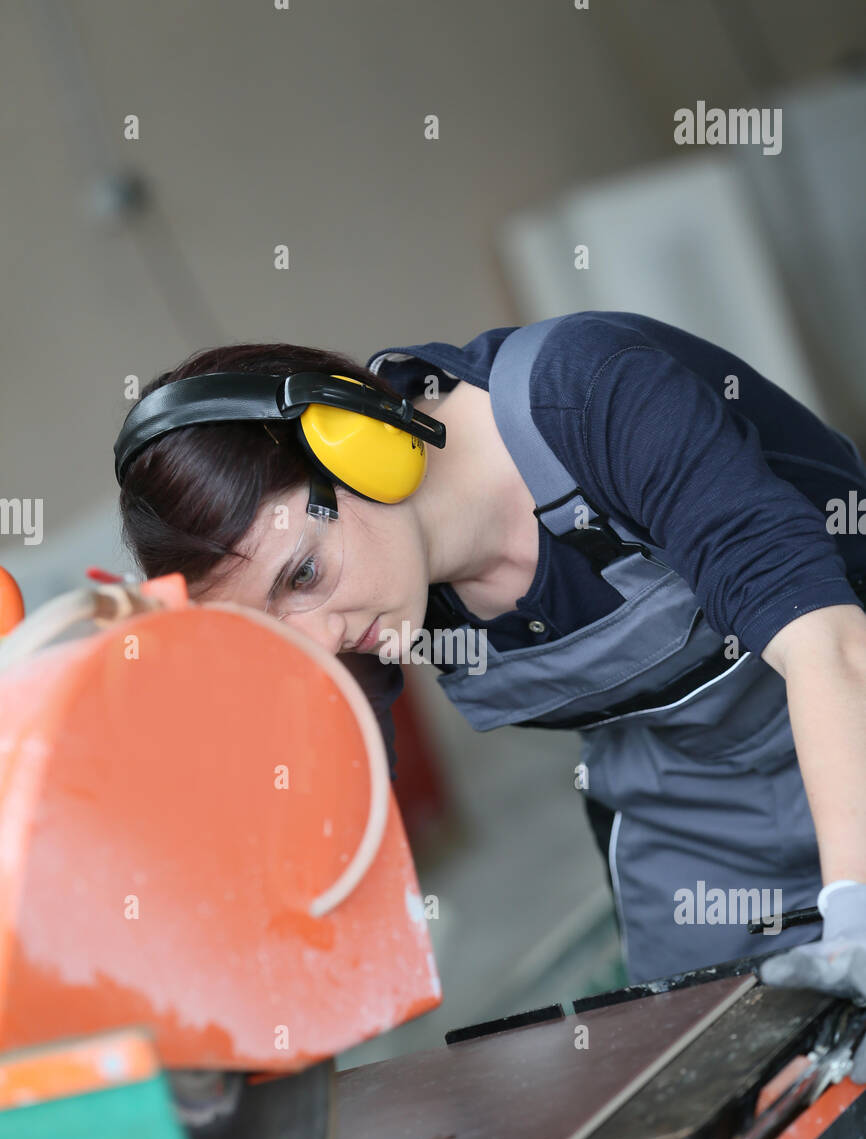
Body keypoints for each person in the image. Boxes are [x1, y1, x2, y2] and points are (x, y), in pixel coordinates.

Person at [113, 313, 866, 1075]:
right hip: (689, 814)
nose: (318, 644)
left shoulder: (587, 394)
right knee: (713, 1080)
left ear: (364, 441)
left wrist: (856, 918)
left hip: (849, 698)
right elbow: (325, 825)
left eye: (303, 574)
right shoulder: (361, 604)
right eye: (271, 627)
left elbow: (829, 649)